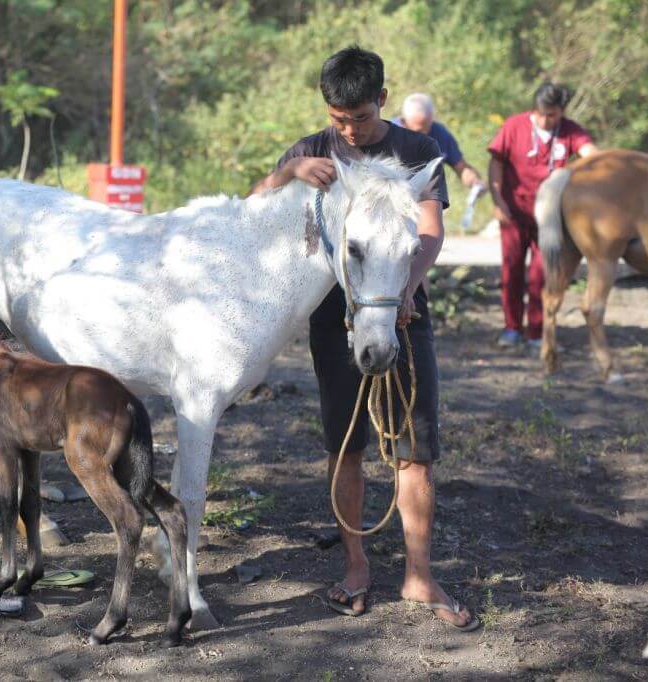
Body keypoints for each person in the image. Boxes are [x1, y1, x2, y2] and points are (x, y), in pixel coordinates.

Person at [251, 45, 479, 631]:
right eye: (338, 118)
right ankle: (356, 565)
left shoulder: (418, 150)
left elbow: (429, 229)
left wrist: (409, 286)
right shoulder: (312, 151)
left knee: (415, 449)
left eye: (358, 116)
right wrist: (287, 175)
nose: (348, 130)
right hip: (335, 318)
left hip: (403, 310)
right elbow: (253, 207)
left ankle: (420, 575)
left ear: (382, 98)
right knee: (344, 443)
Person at [487, 83, 598, 348]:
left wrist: (592, 166)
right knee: (511, 271)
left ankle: (537, 332)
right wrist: (498, 200)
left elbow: (591, 155)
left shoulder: (569, 130)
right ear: (534, 109)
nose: (546, 120)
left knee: (542, 274)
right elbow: (496, 163)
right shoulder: (514, 126)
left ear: (561, 112)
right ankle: (512, 328)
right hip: (514, 212)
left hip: (549, 218)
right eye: (542, 114)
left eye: (553, 115)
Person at [394, 93, 483, 189]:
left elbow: (460, 167)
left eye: (427, 128)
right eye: (418, 132)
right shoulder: (387, 134)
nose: (424, 136)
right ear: (404, 123)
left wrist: (473, 181)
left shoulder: (440, 133)